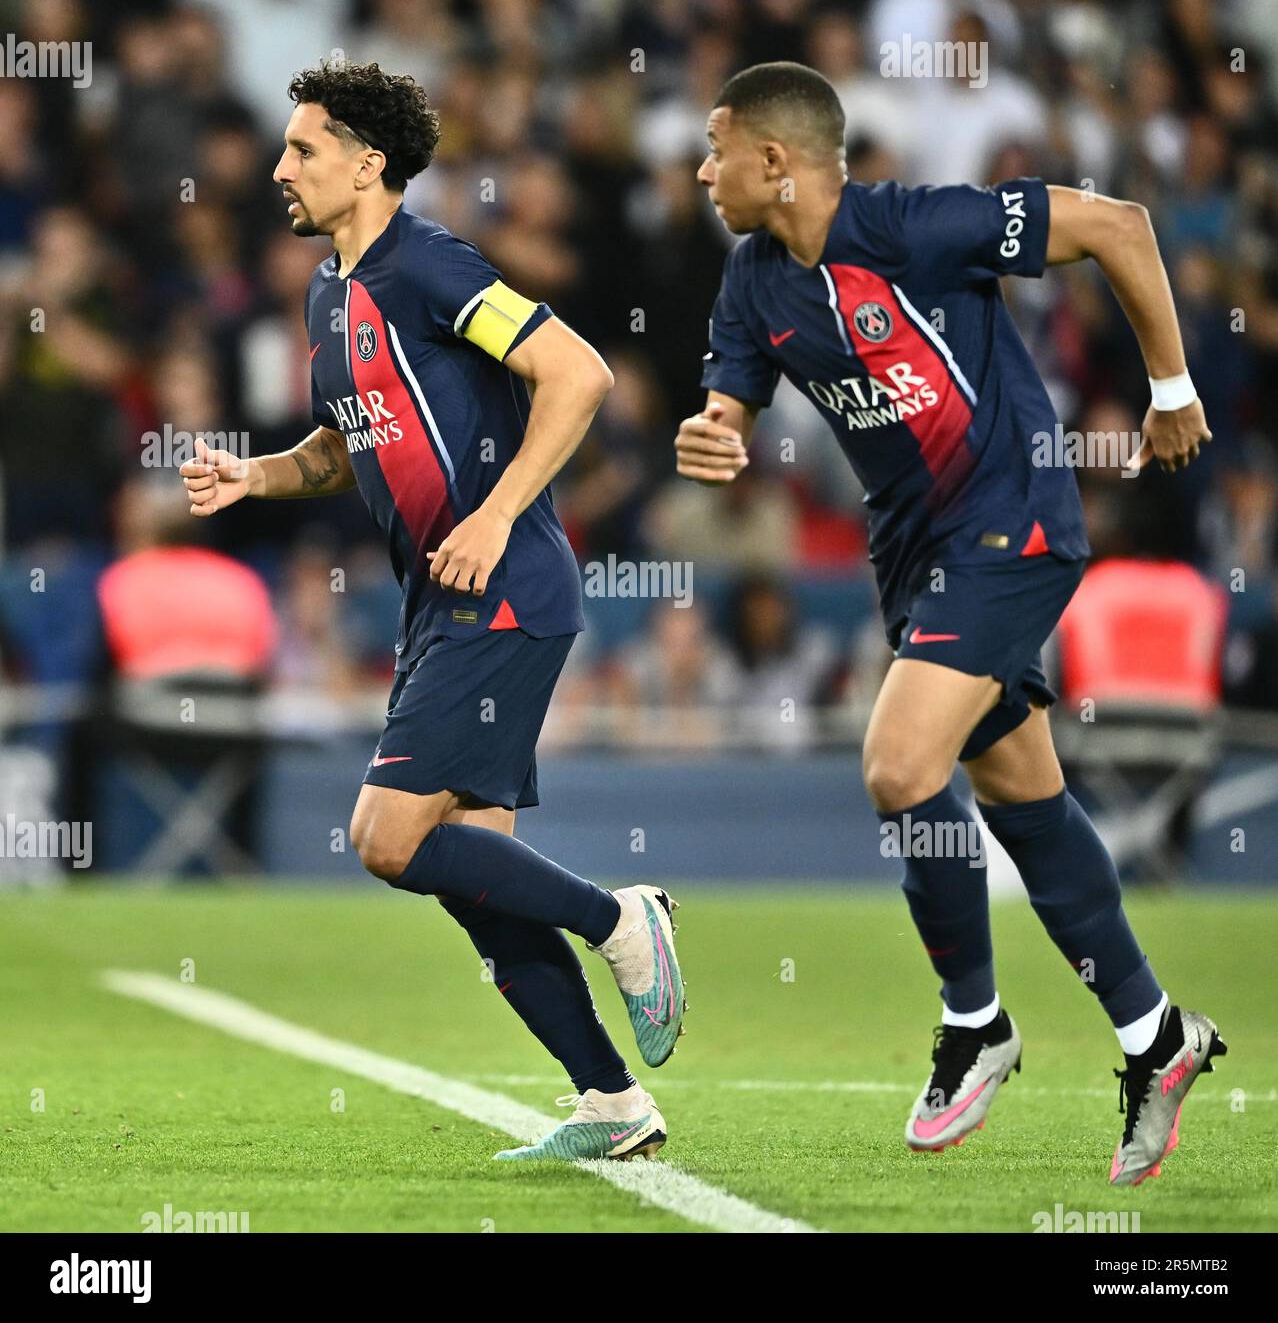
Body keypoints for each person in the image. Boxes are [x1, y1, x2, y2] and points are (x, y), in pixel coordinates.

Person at [676, 61, 1225, 1186]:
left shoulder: (921, 226)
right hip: (914, 555)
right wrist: (718, 434)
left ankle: (975, 1021)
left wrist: (1170, 389)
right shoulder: (750, 279)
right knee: (1024, 795)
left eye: (716, 146)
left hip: (1012, 520)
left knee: (897, 762)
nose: (701, 168)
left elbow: (1118, 224)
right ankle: (1154, 1036)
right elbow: (728, 400)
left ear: (775, 163)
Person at [180, 59, 684, 1163]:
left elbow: (580, 372)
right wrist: (256, 476)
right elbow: (344, 441)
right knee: (472, 876)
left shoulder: (433, 264)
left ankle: (619, 920)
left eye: (304, 148)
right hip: (439, 604)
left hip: (502, 589)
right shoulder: (329, 292)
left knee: (384, 835)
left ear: (369, 164)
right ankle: (613, 1104)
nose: (280, 168)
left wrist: (501, 514)